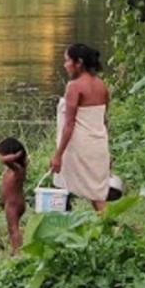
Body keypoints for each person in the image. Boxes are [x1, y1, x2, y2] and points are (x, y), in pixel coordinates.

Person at [50, 42, 112, 213]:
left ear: (79, 63)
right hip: (98, 143)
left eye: (67, 61)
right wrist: (108, 149)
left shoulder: (74, 87)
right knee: (97, 195)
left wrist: (58, 155)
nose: (65, 65)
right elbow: (104, 120)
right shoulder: (101, 85)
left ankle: (59, 222)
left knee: (62, 186)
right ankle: (109, 229)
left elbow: (69, 124)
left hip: (79, 147)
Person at [0, 137, 28, 255]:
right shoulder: (12, 169)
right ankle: (15, 250)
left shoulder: (17, 169)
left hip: (13, 203)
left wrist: (16, 156)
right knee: (12, 228)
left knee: (14, 229)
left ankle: (18, 252)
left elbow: (5, 160)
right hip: (13, 202)